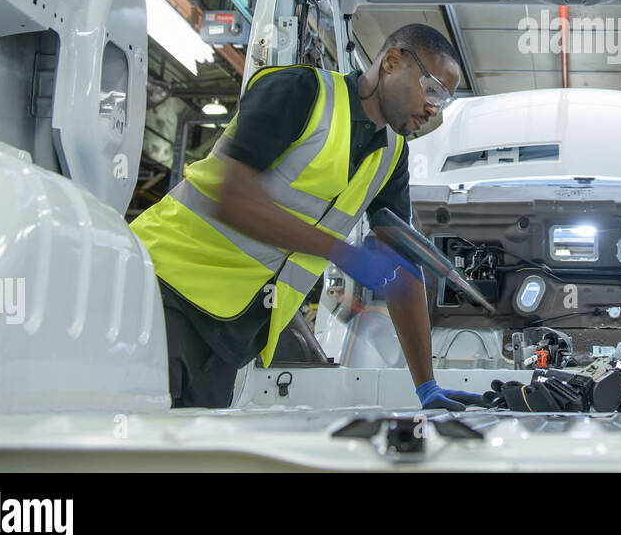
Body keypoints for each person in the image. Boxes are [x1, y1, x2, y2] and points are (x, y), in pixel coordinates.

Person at [130, 22, 483, 410]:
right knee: (119, 438)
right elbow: (231, 197)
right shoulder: (301, 91)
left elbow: (403, 269)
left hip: (235, 331)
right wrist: (342, 253)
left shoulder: (391, 156)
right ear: (392, 62)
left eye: (444, 100)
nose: (434, 108)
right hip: (164, 287)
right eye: (431, 89)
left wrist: (426, 387)